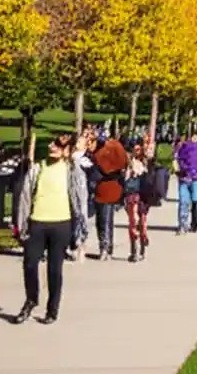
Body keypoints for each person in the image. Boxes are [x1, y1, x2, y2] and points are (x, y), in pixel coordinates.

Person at [13, 135, 87, 325]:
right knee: (30, 263)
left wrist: (81, 230)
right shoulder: (38, 168)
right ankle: (31, 300)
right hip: (37, 222)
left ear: (67, 150)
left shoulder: (72, 171)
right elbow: (25, 196)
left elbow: (81, 199)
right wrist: (21, 223)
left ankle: (52, 309)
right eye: (52, 143)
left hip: (61, 224)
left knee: (55, 269)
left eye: (58, 145)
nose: (52, 146)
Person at [92, 135, 128, 260]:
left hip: (106, 189)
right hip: (107, 189)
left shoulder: (107, 151)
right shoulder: (115, 147)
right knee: (105, 220)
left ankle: (105, 248)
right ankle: (106, 247)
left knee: (104, 220)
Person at [122, 142, 151, 263]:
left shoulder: (145, 163)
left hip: (142, 197)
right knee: (133, 223)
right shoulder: (128, 165)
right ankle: (135, 251)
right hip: (131, 196)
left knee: (141, 223)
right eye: (134, 150)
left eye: (139, 150)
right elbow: (125, 180)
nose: (136, 152)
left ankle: (141, 249)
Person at [175, 134, 197, 235]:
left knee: (196, 203)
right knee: (185, 202)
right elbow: (178, 160)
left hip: (196, 178)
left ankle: (193, 223)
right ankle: (183, 224)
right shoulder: (184, 147)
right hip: (188, 178)